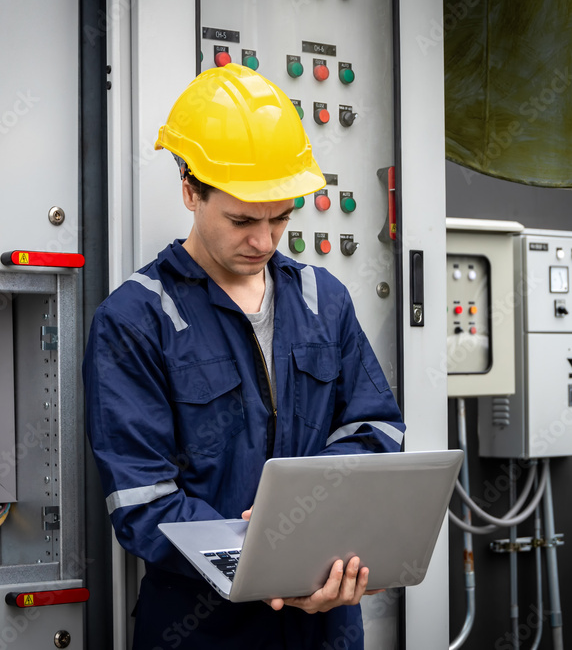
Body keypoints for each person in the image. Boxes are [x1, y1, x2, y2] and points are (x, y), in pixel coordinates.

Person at [83, 64, 406, 650]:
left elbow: (375, 425)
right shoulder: (134, 320)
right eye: (242, 220)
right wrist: (263, 558)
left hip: (326, 628)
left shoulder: (322, 298)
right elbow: (141, 501)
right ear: (190, 189)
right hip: (203, 631)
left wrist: (334, 542)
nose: (264, 241)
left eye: (281, 217)